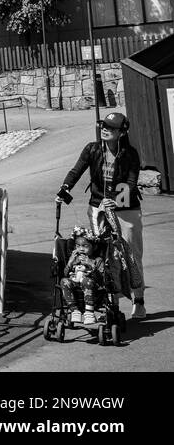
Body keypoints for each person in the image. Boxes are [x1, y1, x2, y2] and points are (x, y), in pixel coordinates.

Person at [56, 111, 145, 319]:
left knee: (131, 255)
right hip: (98, 208)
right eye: (103, 125)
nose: (105, 129)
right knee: (103, 257)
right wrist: (65, 188)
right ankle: (109, 304)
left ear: (122, 132)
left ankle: (138, 300)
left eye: (111, 127)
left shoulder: (130, 153)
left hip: (127, 210)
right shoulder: (92, 149)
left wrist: (116, 199)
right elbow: (76, 171)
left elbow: (131, 183)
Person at [61, 226, 106, 327]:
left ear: (93, 247)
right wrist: (70, 262)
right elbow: (65, 274)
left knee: (87, 281)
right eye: (78, 246)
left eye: (85, 246)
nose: (81, 249)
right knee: (64, 281)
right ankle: (75, 310)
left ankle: (89, 312)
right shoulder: (75, 259)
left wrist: (91, 264)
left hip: (93, 287)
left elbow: (101, 278)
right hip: (75, 285)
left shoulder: (97, 260)